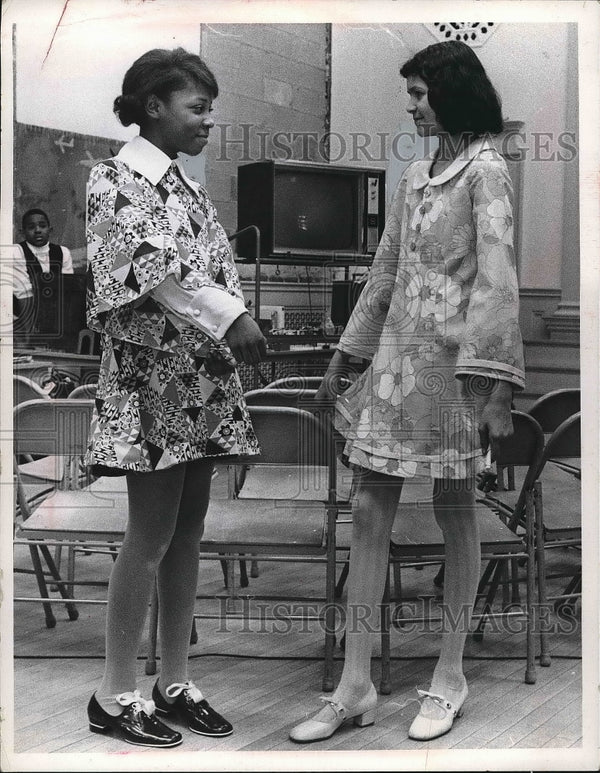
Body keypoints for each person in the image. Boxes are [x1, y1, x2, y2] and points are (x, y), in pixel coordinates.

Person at [290, 40, 525, 743]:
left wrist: (498, 392)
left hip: (458, 372)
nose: (411, 105)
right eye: (411, 93)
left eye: (420, 93)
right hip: (395, 366)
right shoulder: (417, 172)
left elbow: (499, 282)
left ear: (451, 94)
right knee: (368, 507)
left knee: (455, 512)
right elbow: (385, 269)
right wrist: (345, 357)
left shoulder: (488, 170)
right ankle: (354, 683)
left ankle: (450, 675)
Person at [84, 47, 267, 748]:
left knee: (188, 530)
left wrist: (231, 320)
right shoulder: (115, 178)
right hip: (151, 381)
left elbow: (207, 265)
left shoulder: (187, 187)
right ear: (153, 104)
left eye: (210, 110)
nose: (207, 122)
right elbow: (155, 272)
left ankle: (174, 680)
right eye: (198, 107)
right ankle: (114, 690)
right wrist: (232, 317)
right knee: (149, 534)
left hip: (199, 381)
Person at [11, 208, 74, 346]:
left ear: (50, 230)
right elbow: (24, 294)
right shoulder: (16, 251)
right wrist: (27, 339)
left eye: (42, 226)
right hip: (22, 319)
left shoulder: (62, 252)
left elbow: (67, 290)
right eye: (31, 227)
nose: (38, 230)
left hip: (54, 321)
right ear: (22, 232)